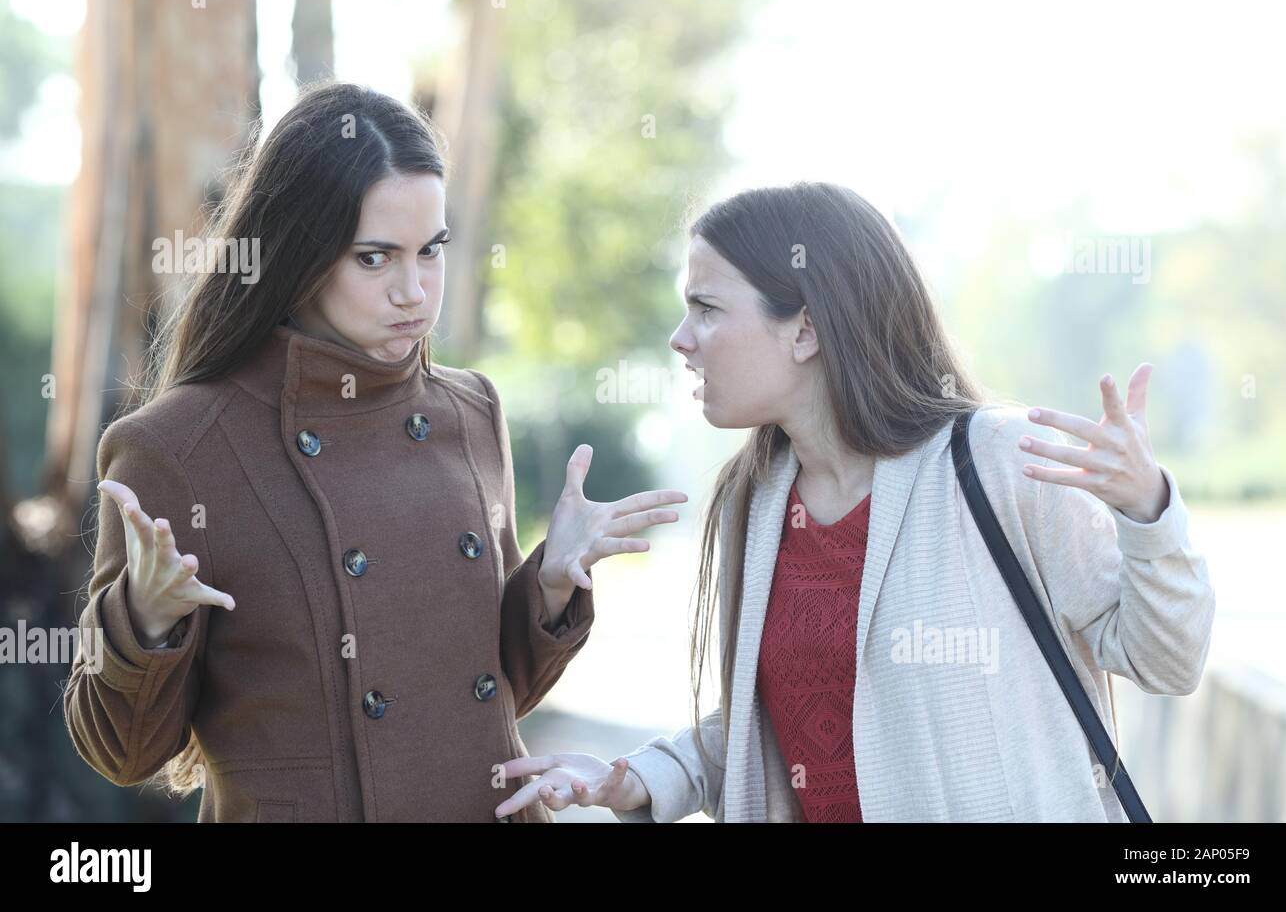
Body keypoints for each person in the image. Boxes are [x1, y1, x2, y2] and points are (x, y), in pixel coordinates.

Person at [493, 181, 1215, 822]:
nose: (682, 340)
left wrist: (1147, 510)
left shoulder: (1000, 462)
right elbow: (782, 722)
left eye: (707, 309)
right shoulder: (758, 499)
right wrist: (631, 779)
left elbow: (1166, 662)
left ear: (806, 328)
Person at [62, 82, 687, 822]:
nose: (414, 292)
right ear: (300, 254)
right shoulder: (177, 449)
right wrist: (144, 619)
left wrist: (549, 584)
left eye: (432, 251)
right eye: (375, 258)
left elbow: (485, 696)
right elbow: (121, 752)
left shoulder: (471, 412)